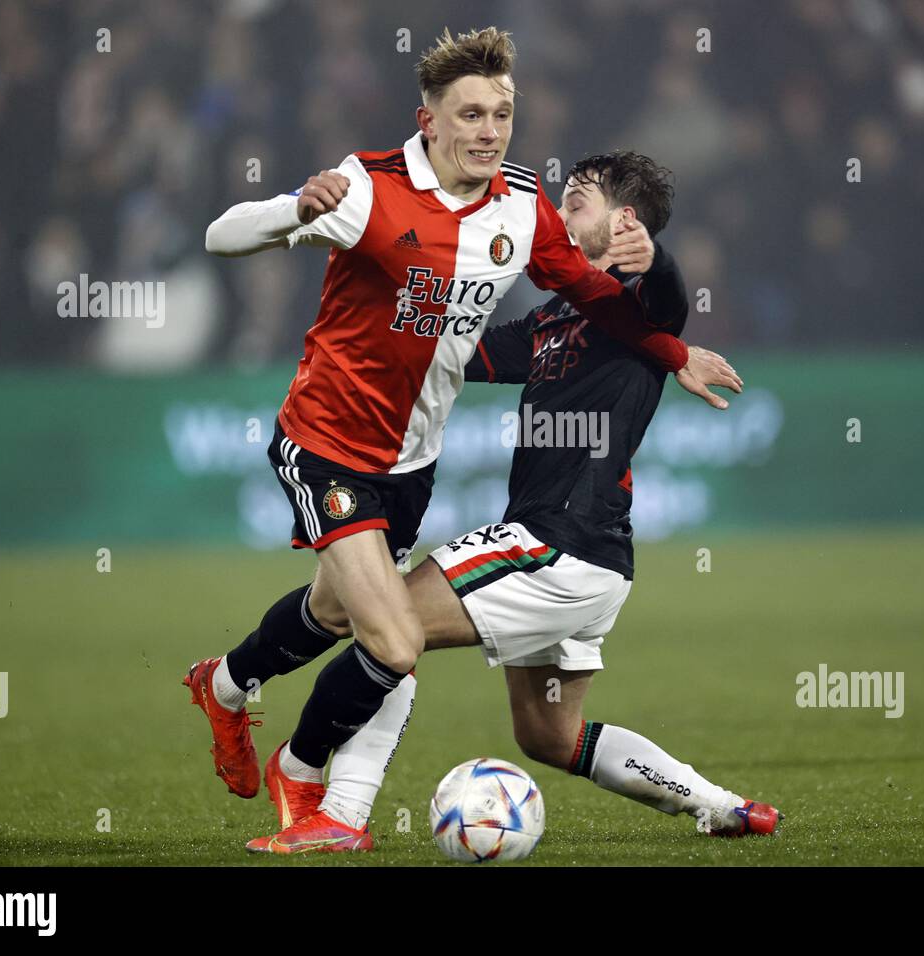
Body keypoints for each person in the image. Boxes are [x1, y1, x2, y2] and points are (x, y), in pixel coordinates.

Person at [183, 27, 726, 807]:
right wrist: (292, 209)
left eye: (501, 115)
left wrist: (675, 352)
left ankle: (226, 685)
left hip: (412, 461)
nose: (488, 130)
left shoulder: (521, 207)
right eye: (470, 114)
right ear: (428, 119)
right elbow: (221, 235)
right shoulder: (367, 187)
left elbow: (604, 300)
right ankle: (308, 787)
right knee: (395, 639)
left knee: (335, 610)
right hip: (328, 442)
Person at [243, 151, 778, 853]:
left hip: (559, 546)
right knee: (549, 736)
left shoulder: (638, 310)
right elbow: (457, 352)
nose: (559, 209)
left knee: (388, 626)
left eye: (578, 199)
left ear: (623, 222)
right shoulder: (557, 317)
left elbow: (666, 298)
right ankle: (720, 804)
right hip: (591, 563)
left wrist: (653, 256)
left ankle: (334, 804)